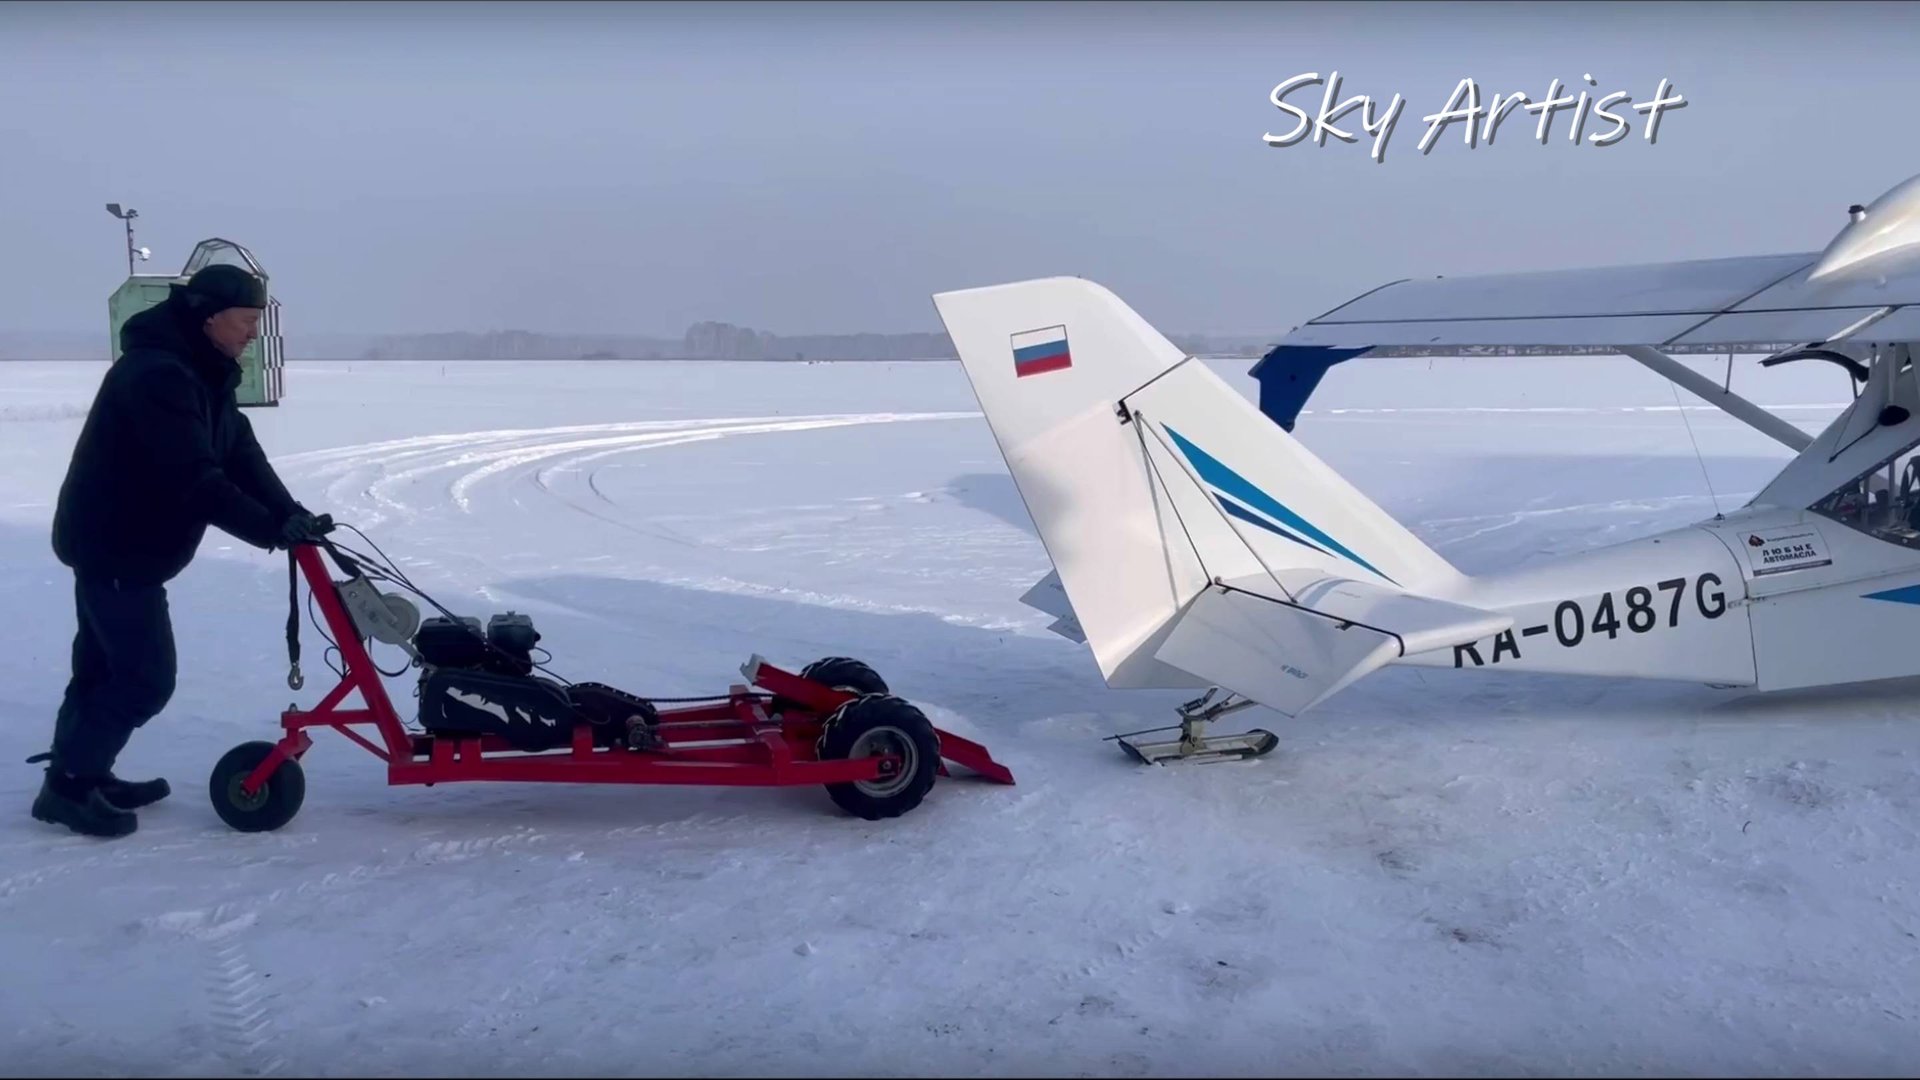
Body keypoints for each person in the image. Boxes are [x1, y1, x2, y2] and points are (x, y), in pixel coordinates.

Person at [31, 264, 333, 839]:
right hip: (118, 546)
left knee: (102, 669)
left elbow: (240, 454)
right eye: (245, 321)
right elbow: (194, 480)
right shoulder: (158, 377)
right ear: (208, 317)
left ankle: (83, 772)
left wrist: (290, 514)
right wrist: (271, 531)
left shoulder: (201, 370)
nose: (251, 333)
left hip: (124, 545)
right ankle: (69, 788)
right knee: (144, 678)